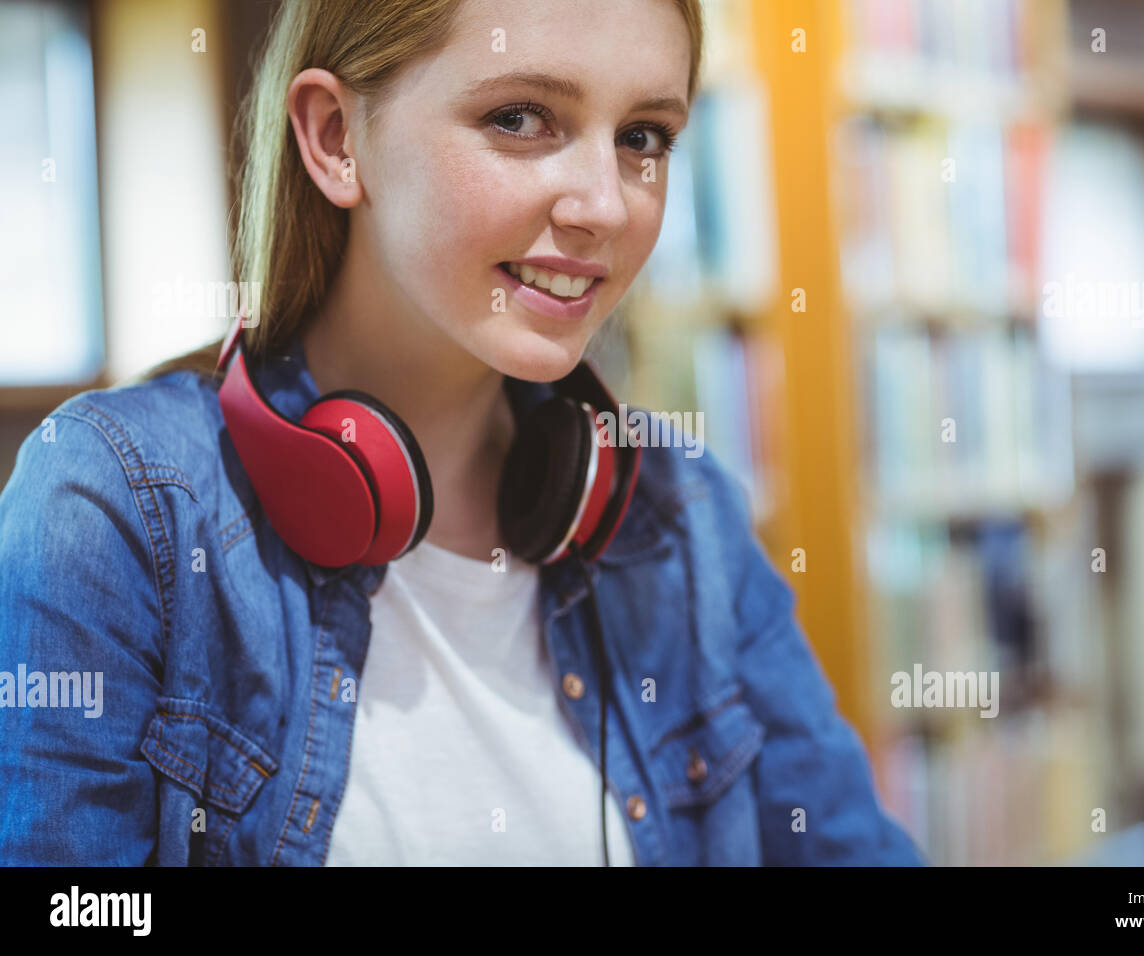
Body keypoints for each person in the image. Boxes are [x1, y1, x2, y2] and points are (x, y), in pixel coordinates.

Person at [0, 0, 924, 866]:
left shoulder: (684, 515)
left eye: (643, 137)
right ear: (335, 138)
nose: (605, 205)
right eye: (521, 118)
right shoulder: (112, 509)